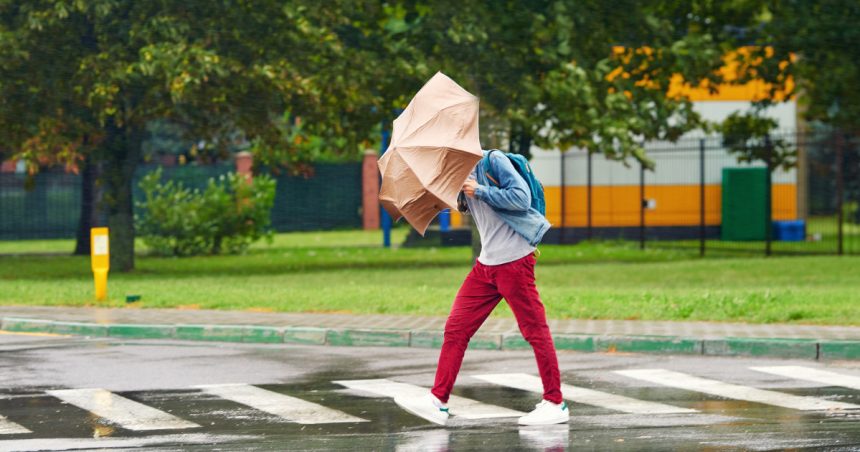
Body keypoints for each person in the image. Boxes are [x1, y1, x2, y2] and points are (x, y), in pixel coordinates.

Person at [395, 150, 568, 426]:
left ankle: (555, 403)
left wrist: (480, 190)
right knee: (456, 328)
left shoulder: (492, 161)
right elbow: (464, 205)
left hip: (514, 262)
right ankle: (437, 401)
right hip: (486, 266)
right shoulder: (457, 173)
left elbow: (521, 198)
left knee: (534, 330)